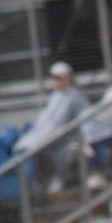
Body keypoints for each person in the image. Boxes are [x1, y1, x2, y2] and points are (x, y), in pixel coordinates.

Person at [15, 61, 87, 192]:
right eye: (55, 78)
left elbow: (84, 117)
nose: (57, 81)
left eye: (59, 78)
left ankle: (56, 180)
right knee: (25, 146)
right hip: (48, 136)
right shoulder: (56, 96)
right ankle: (39, 184)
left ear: (68, 78)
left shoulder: (75, 96)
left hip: (66, 139)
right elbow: (47, 120)